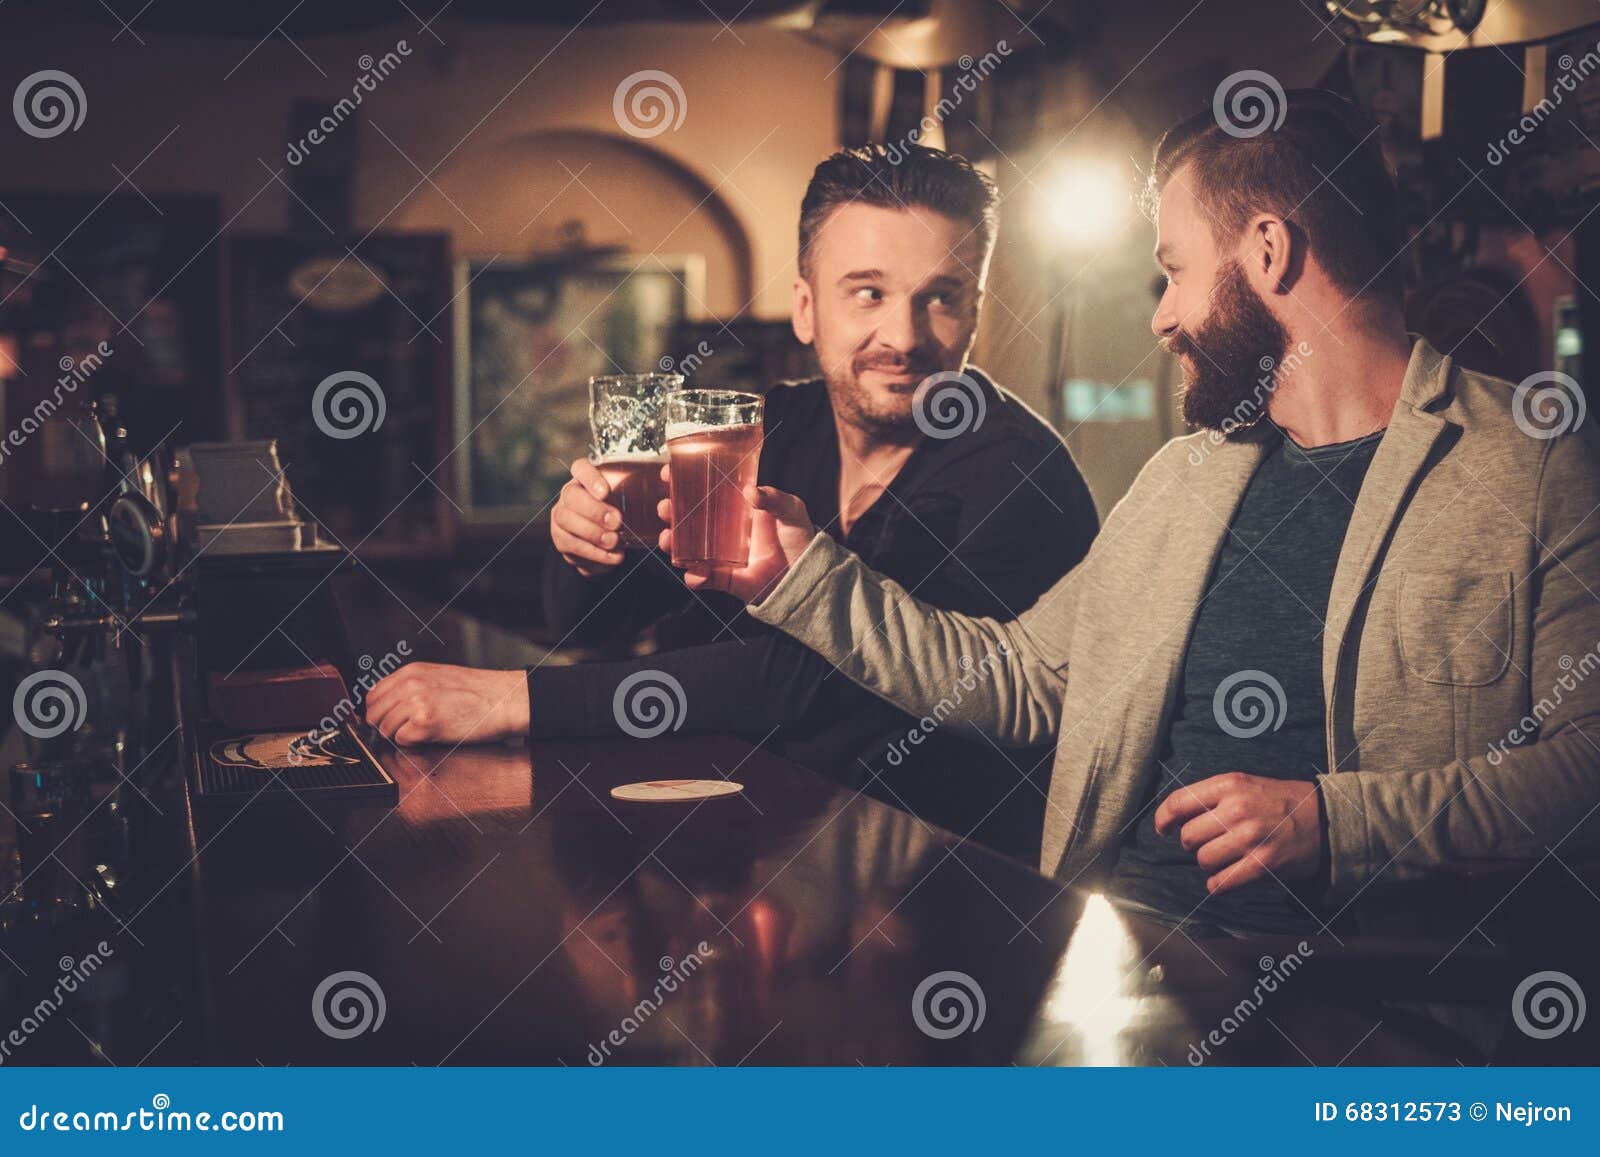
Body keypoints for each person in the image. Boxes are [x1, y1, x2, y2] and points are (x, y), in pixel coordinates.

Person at [658, 91, 1600, 948]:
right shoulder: (1184, 477)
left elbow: (1586, 774)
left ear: (1268, 252)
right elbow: (1023, 677)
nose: (1162, 316)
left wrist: (1337, 821)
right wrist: (802, 577)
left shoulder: (1531, 462)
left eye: (1174, 270)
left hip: (1376, 1001)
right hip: (1126, 961)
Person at [365, 145, 1099, 861]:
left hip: (951, 887)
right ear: (807, 309)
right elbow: (586, 622)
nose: (903, 337)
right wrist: (583, 548)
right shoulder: (763, 428)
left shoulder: (1018, 473)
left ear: (976, 311)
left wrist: (513, 702)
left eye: (940, 296)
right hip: (757, 858)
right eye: (868, 292)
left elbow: (813, 683)